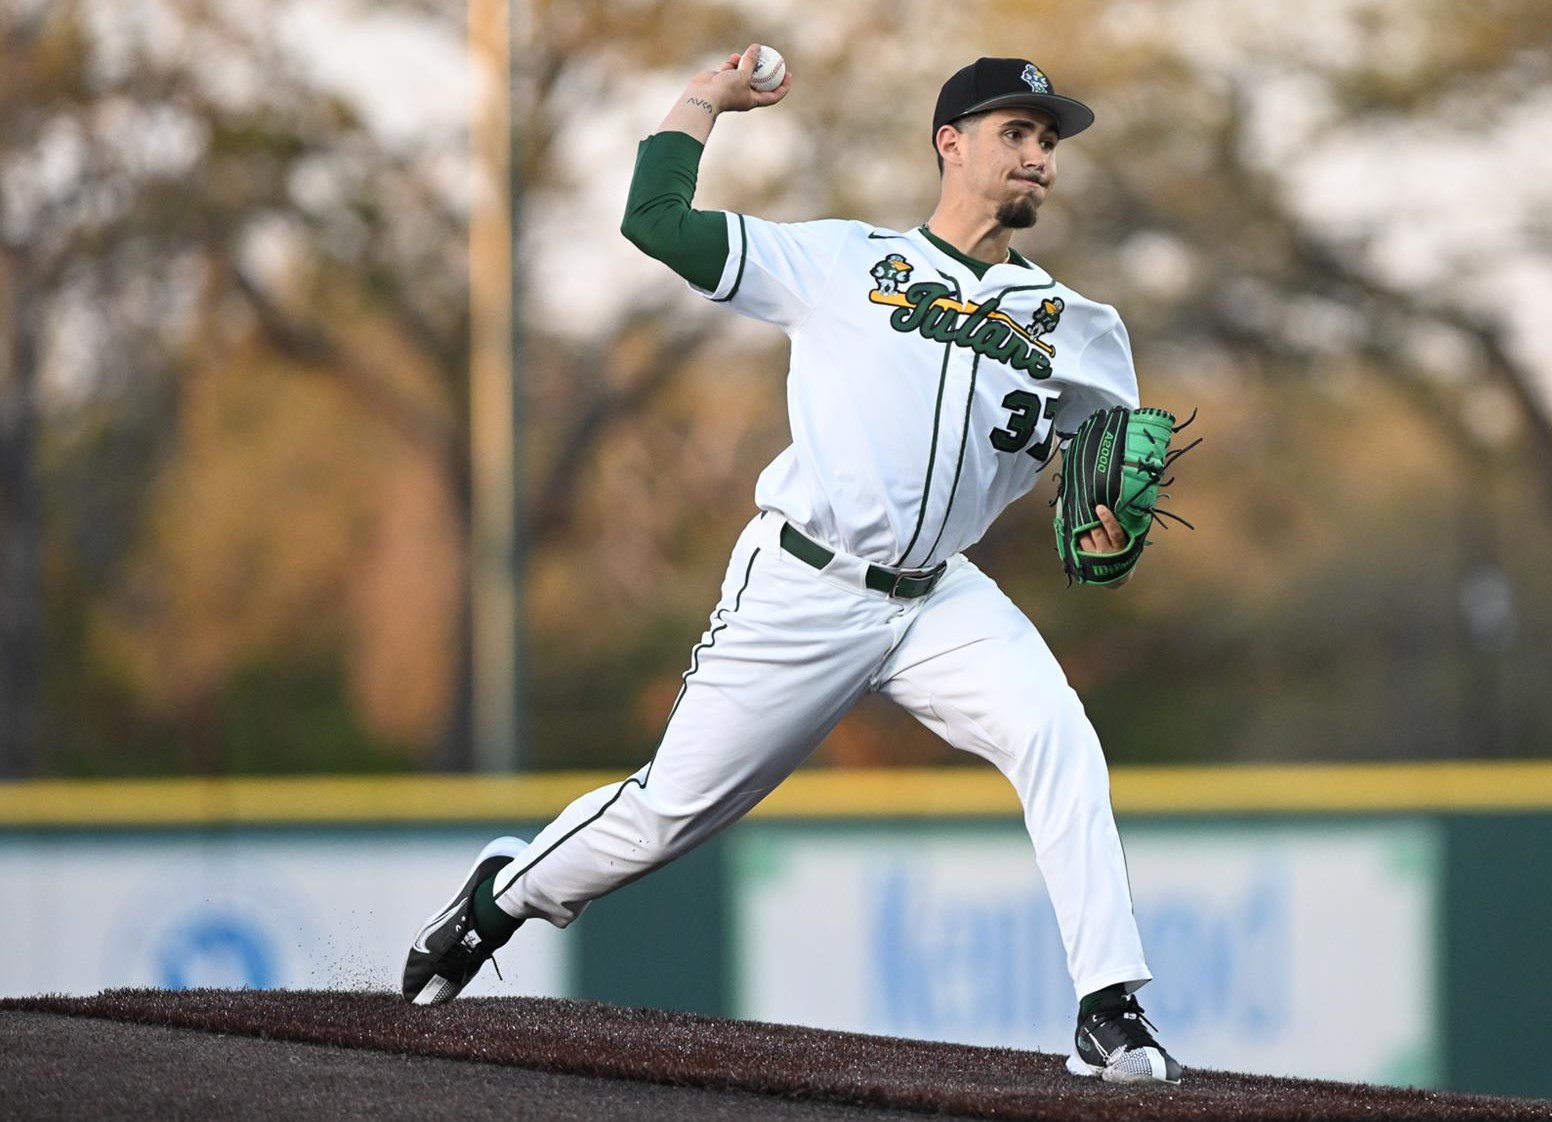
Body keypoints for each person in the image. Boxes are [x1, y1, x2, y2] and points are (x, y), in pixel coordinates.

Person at [402, 49, 1183, 1085]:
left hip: (941, 599)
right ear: (950, 144)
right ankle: (505, 893)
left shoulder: (1082, 329)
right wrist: (702, 103)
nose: (1038, 155)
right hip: (806, 586)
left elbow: (1096, 483)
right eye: (1016, 133)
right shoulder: (842, 263)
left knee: (1058, 737)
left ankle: (1110, 1009)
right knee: (664, 815)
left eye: (1047, 139)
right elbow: (655, 221)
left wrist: (1099, 532)